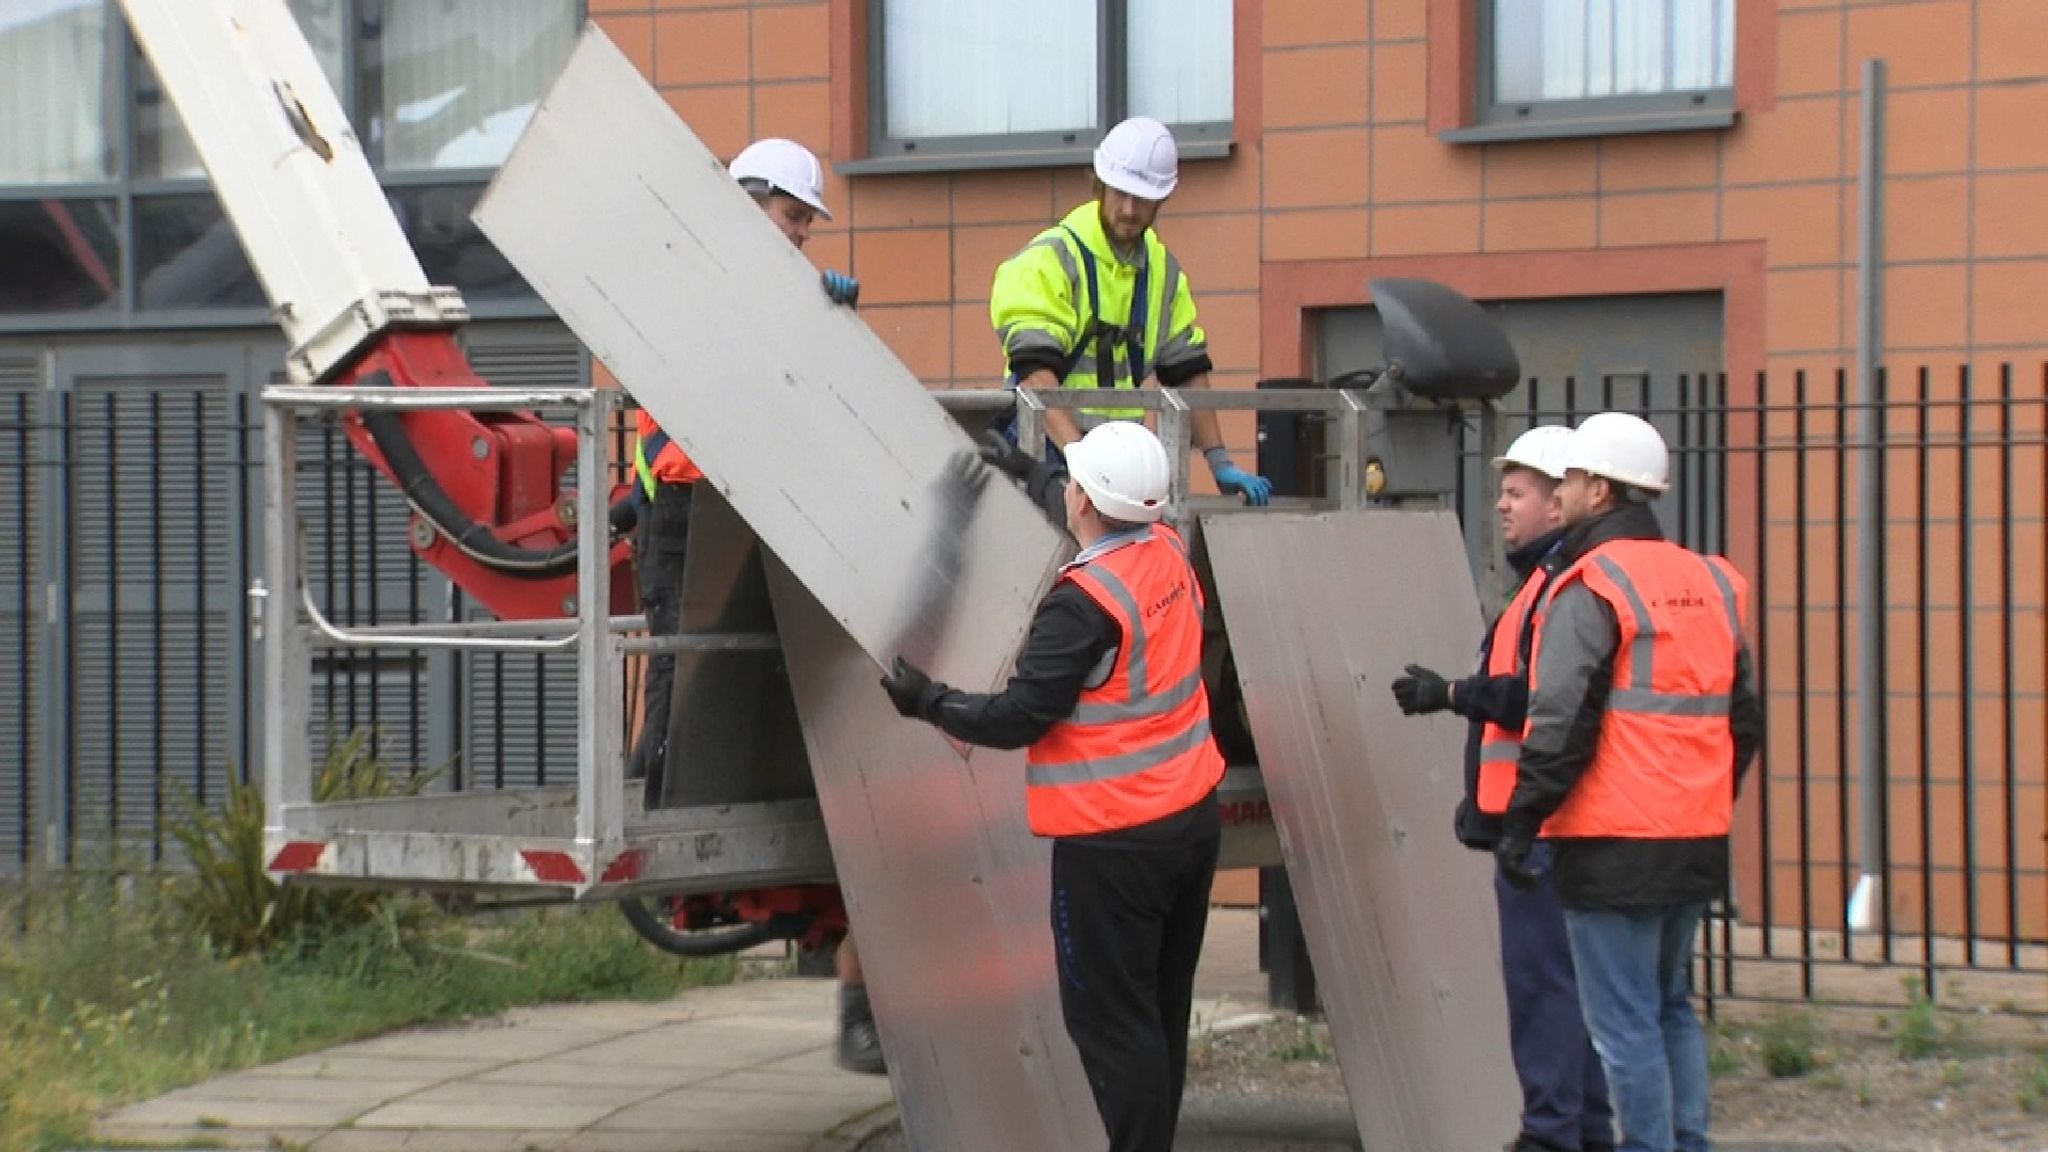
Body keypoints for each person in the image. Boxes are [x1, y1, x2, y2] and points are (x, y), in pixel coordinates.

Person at [880, 422, 1225, 1152]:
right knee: (1158, 1011)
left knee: (1108, 1021)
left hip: (1114, 841)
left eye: (1070, 483)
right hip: (1190, 820)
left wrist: (927, 699)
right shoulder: (1168, 548)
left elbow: (1017, 718)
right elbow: (1100, 508)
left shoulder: (1082, 606)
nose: (1063, 491)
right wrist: (1027, 469)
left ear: (1086, 502)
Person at [625, 136, 881, 1076]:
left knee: (737, 671)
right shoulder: (693, 282)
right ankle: (669, 811)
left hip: (748, 507)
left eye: (808, 227)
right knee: (681, 667)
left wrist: (822, 323)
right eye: (792, 220)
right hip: (689, 510)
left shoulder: (761, 287)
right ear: (746, 203)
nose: (802, 238)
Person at [1497, 412, 1762, 1152]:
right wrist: (1701, 795)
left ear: (1601, 489)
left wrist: (1521, 822)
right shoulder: (1710, 579)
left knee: (1623, 1024)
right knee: (1673, 1005)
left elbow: (1559, 721)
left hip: (1611, 840)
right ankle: (1686, 1142)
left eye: (1573, 479)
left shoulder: (1593, 583)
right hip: (1695, 836)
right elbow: (1745, 719)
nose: (1563, 492)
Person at [1390, 425, 1615, 1152]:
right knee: (1566, 993)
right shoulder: (1545, 584)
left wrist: (1454, 693)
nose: (1504, 507)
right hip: (1534, 822)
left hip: (1543, 830)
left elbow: (1540, 699)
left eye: (1518, 493)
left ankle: (1555, 1135)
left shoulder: (1561, 589)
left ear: (1563, 502)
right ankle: (1581, 1131)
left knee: (1544, 992)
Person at [989, 116, 1272, 506]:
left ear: (1162, 199)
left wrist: (1220, 461)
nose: (1129, 208)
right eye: (1120, 193)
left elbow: (1186, 371)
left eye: (1142, 199)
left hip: (1117, 464)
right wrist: (1080, 458)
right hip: (1046, 454)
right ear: (1099, 186)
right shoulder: (1049, 260)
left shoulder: (1161, 272)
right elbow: (1035, 377)